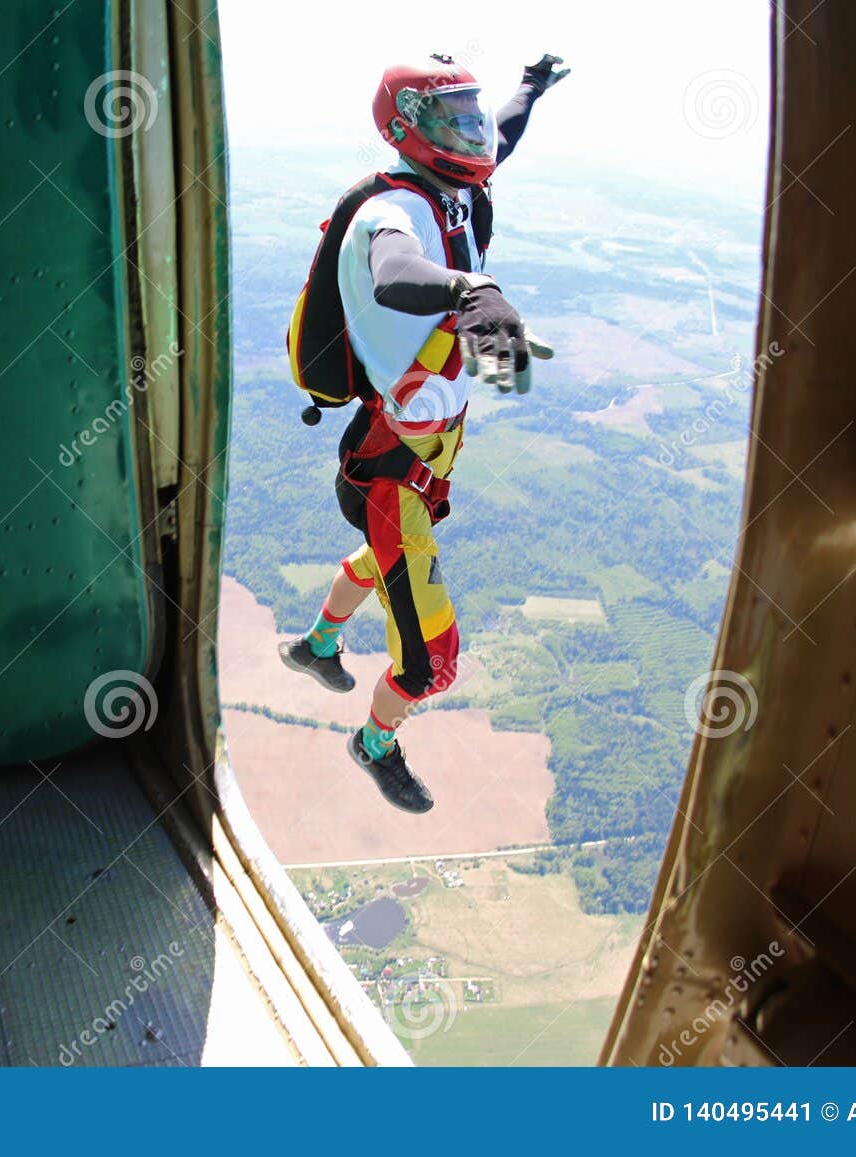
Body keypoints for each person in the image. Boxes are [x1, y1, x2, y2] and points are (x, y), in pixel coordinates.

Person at [279, 52, 568, 813]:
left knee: (383, 558)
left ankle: (316, 644)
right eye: (455, 120)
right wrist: (471, 286)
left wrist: (528, 89)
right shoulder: (395, 211)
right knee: (433, 661)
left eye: (471, 115)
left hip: (412, 452)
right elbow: (393, 270)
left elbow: (501, 135)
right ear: (407, 131)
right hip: (387, 467)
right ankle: (373, 743)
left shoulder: (453, 191)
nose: (475, 133)